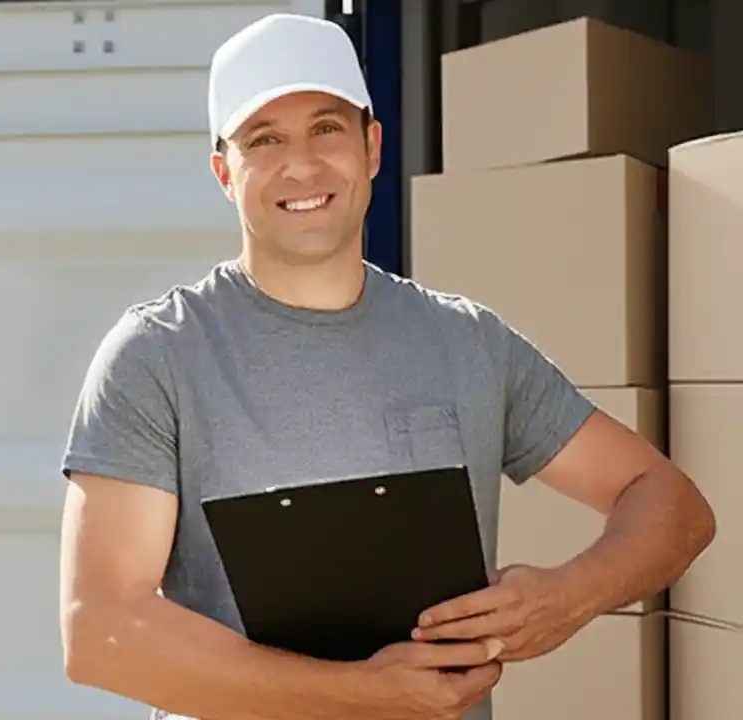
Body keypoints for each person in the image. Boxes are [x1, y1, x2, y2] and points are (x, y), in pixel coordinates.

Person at [57, 13, 715, 720]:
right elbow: (102, 631)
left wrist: (567, 597)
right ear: (224, 171)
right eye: (264, 140)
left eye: (326, 128)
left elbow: (673, 505)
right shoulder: (160, 355)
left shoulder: (467, 343)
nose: (301, 165)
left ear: (372, 147)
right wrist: (364, 696)